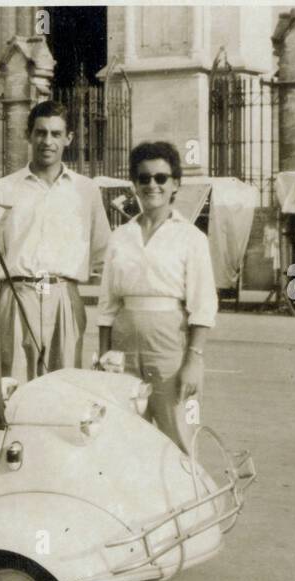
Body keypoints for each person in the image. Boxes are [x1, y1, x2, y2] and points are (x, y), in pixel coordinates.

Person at [96, 141, 218, 455]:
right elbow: (107, 304)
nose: (152, 185)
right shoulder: (121, 236)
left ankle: (188, 501)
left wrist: (194, 360)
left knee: (177, 432)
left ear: (175, 183)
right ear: (134, 183)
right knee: (122, 434)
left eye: (161, 178)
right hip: (124, 344)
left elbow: (203, 304)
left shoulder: (191, 237)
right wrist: (102, 356)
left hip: (169, 346)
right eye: (144, 178)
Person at [0, 99, 111, 380]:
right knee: (13, 388)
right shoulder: (3, 190)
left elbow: (105, 256)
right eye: (40, 132)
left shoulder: (86, 191)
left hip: (63, 297)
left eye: (56, 134)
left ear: (69, 138)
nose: (47, 141)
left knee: (63, 387)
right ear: (28, 135)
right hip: (17, 298)